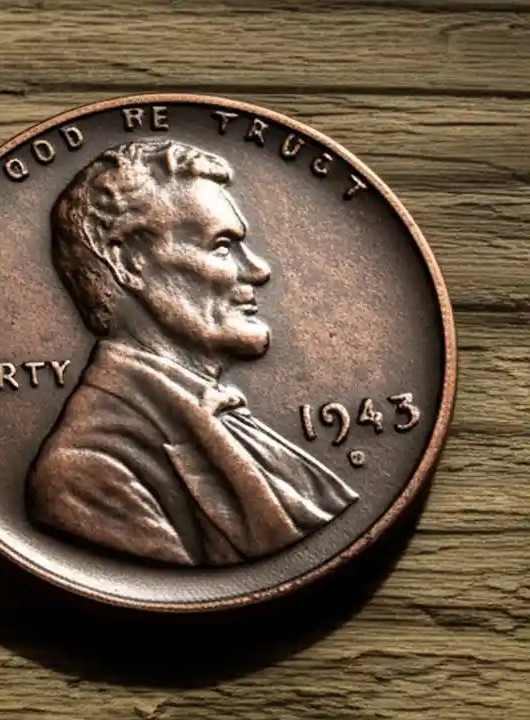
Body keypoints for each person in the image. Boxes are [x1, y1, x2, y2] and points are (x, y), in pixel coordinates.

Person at [26, 139, 357, 567]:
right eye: (220, 246)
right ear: (126, 261)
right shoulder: (86, 469)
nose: (258, 270)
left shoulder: (222, 415)